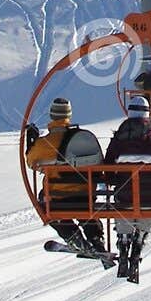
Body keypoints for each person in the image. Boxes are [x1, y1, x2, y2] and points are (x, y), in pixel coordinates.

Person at [25, 97, 112, 266]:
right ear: (69, 115)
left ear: (52, 115)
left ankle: (73, 237)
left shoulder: (44, 145)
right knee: (85, 209)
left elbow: (31, 163)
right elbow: (98, 165)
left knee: (45, 206)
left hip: (58, 199)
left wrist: (32, 143)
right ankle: (96, 240)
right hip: (85, 196)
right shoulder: (84, 140)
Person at [105, 97, 151, 283]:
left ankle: (124, 238)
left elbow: (108, 171)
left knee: (123, 199)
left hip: (124, 198)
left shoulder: (118, 140)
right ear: (147, 114)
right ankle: (141, 236)